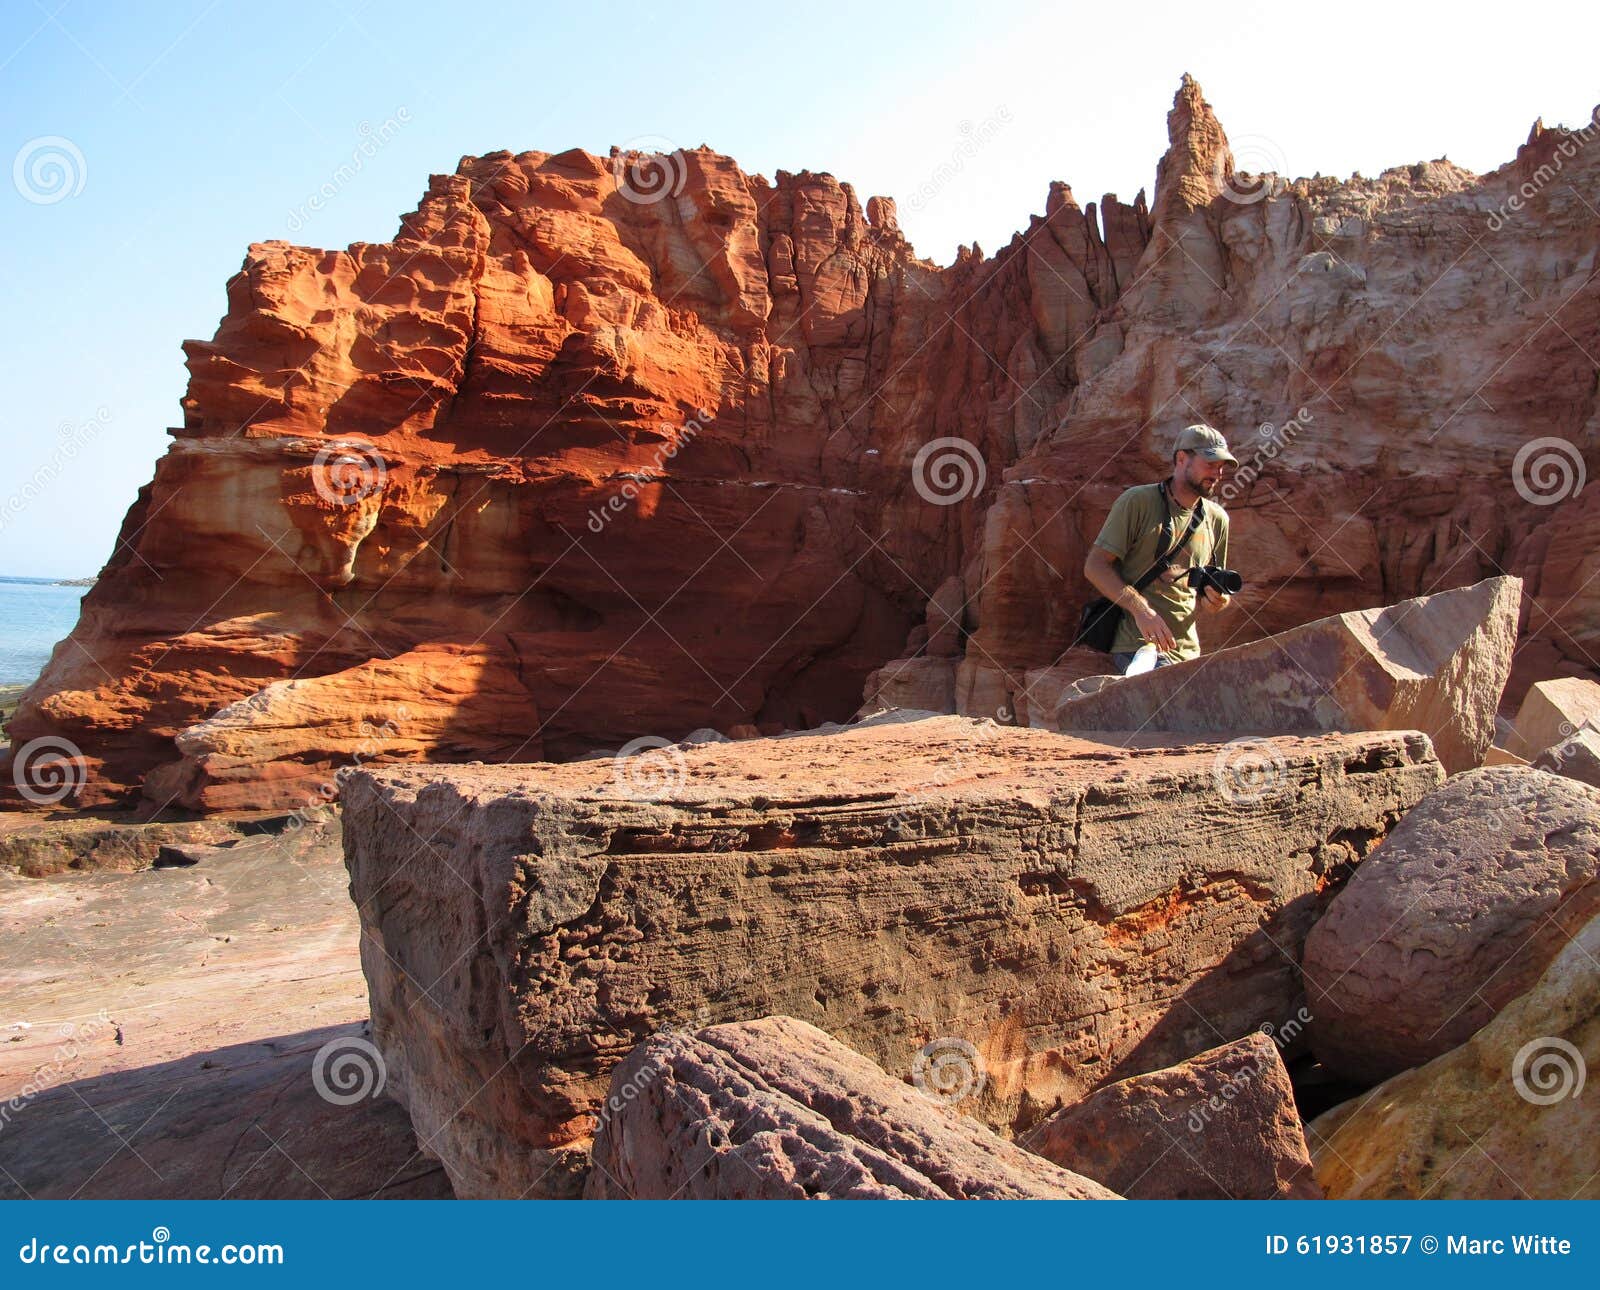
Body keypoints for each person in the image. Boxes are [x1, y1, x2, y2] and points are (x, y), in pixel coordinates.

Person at [1082, 424, 1237, 673]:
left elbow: (1211, 593)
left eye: (1221, 467)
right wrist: (1141, 610)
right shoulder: (1138, 502)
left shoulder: (1217, 519)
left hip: (1187, 652)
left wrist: (1217, 600)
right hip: (1140, 647)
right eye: (1210, 464)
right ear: (1181, 458)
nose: (1217, 474)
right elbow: (1095, 566)